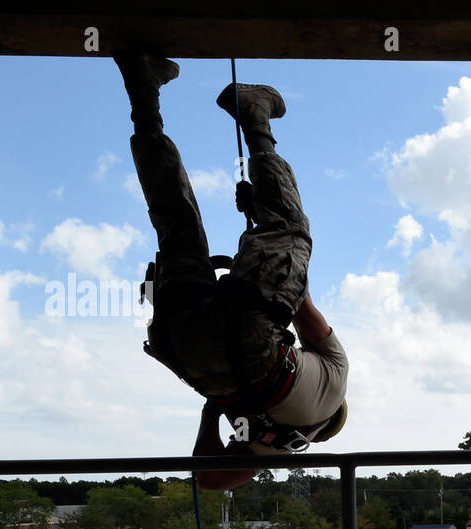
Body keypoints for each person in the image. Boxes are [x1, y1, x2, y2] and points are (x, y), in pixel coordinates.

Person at [114, 52, 349, 491]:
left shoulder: (335, 379)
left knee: (292, 229)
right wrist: (212, 408)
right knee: (173, 221)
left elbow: (302, 306)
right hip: (187, 345)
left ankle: (255, 116)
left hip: (252, 340)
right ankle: (142, 88)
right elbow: (207, 477)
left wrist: (266, 221)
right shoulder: (268, 443)